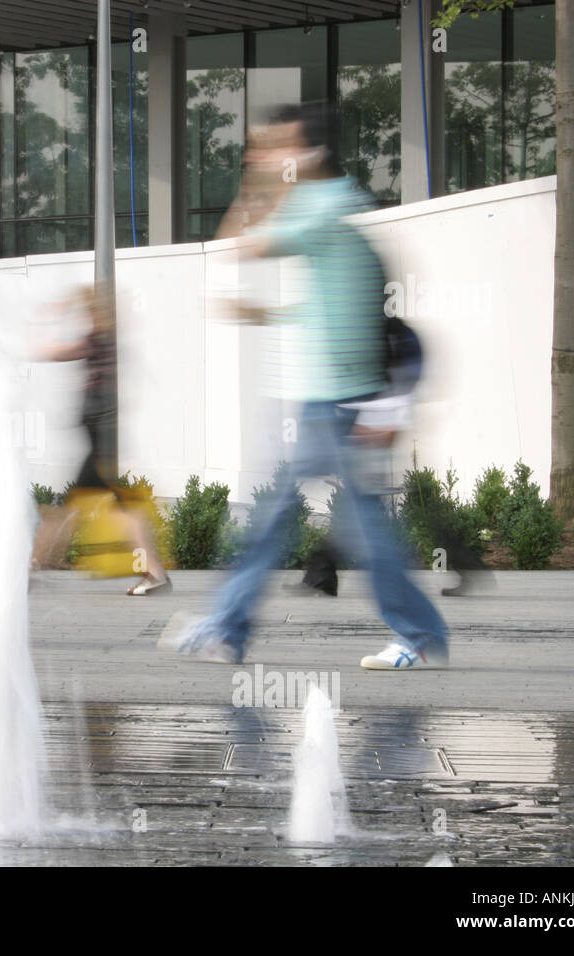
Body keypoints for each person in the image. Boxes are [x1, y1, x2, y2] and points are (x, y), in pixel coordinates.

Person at [160, 102, 449, 670]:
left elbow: (238, 244)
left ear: (311, 151)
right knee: (286, 521)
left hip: (346, 403)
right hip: (328, 400)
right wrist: (264, 315)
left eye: (279, 145)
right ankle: (231, 629)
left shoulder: (325, 206)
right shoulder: (324, 206)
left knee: (345, 529)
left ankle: (414, 634)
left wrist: (254, 178)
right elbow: (327, 310)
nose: (270, 156)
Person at [32, 285, 170, 595]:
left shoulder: (97, 341)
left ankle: (34, 565)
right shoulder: (108, 341)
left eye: (86, 311)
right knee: (119, 509)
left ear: (94, 314)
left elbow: (56, 353)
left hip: (98, 441)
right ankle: (155, 572)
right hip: (103, 439)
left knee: (70, 509)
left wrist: (52, 317)